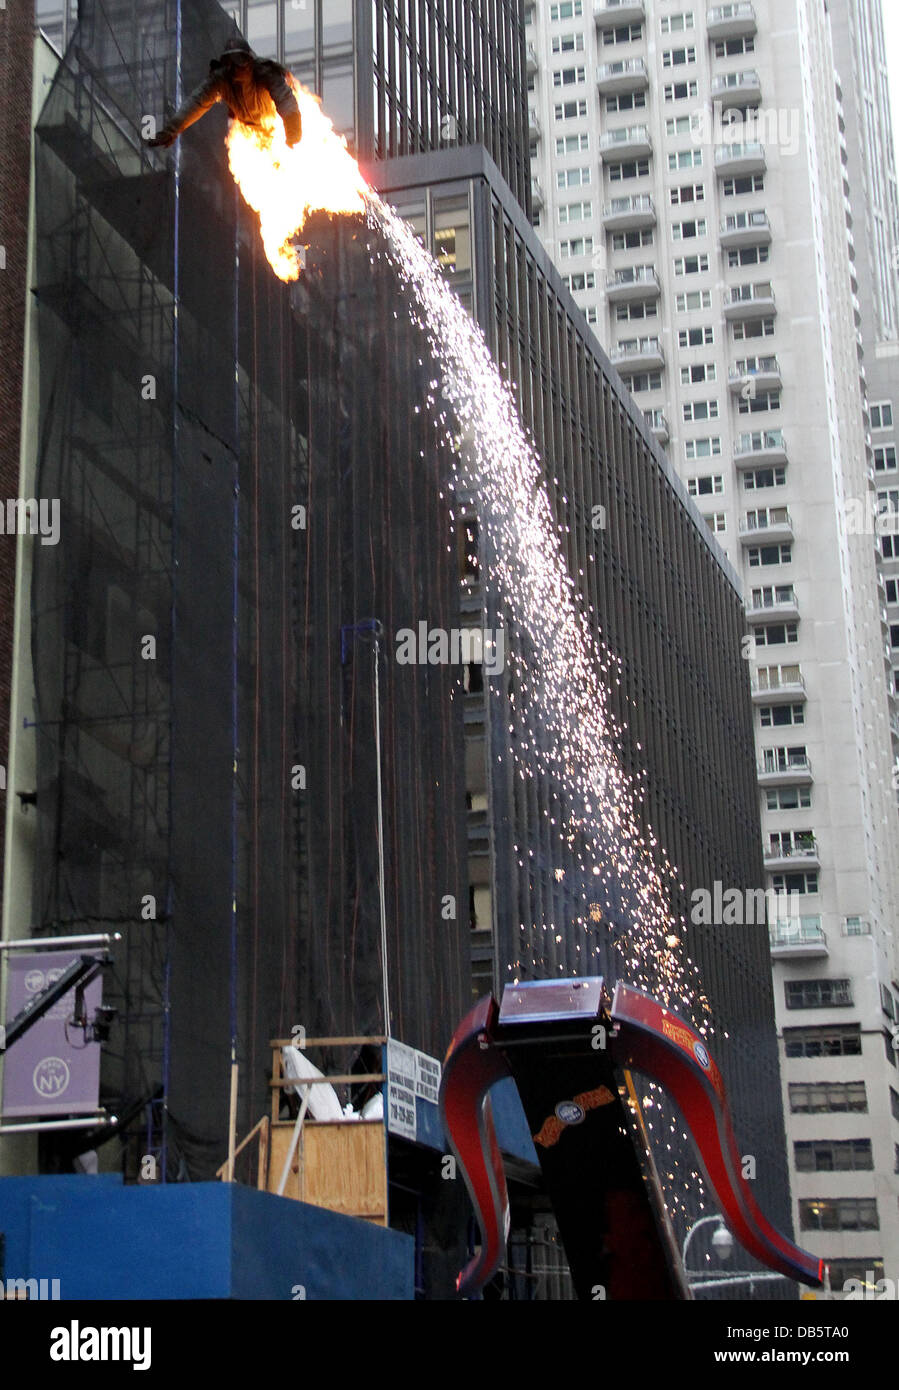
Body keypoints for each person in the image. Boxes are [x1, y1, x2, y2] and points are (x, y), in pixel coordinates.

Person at [145, 37, 301, 150]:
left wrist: (292, 133)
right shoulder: (221, 79)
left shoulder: (265, 73)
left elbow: (285, 100)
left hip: (279, 131)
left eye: (238, 62)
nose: (234, 69)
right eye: (229, 63)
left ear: (249, 62)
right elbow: (196, 102)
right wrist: (171, 130)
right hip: (252, 136)